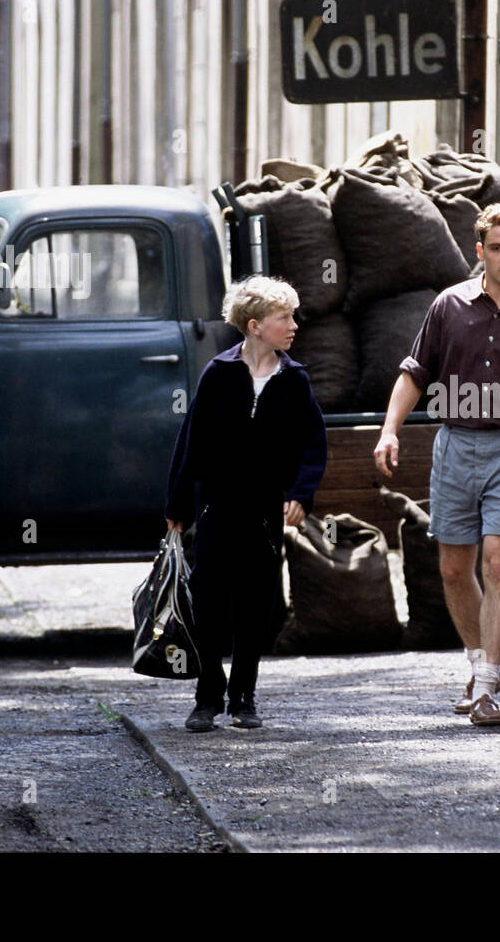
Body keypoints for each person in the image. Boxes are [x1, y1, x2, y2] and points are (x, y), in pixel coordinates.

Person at [374, 202, 500, 726]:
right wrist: (389, 430)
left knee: (498, 563)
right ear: (480, 252)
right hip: (455, 445)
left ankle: (489, 682)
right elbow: (415, 373)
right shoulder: (448, 306)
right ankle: (475, 663)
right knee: (452, 567)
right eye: (497, 248)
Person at [165, 275, 327, 732]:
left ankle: (244, 698)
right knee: (208, 603)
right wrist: (177, 503)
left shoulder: (294, 379)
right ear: (255, 326)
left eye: (293, 316)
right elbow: (191, 441)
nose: (294, 325)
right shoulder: (219, 373)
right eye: (284, 318)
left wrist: (301, 493)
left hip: (264, 512)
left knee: (257, 606)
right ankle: (206, 697)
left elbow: (312, 442)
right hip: (217, 509)